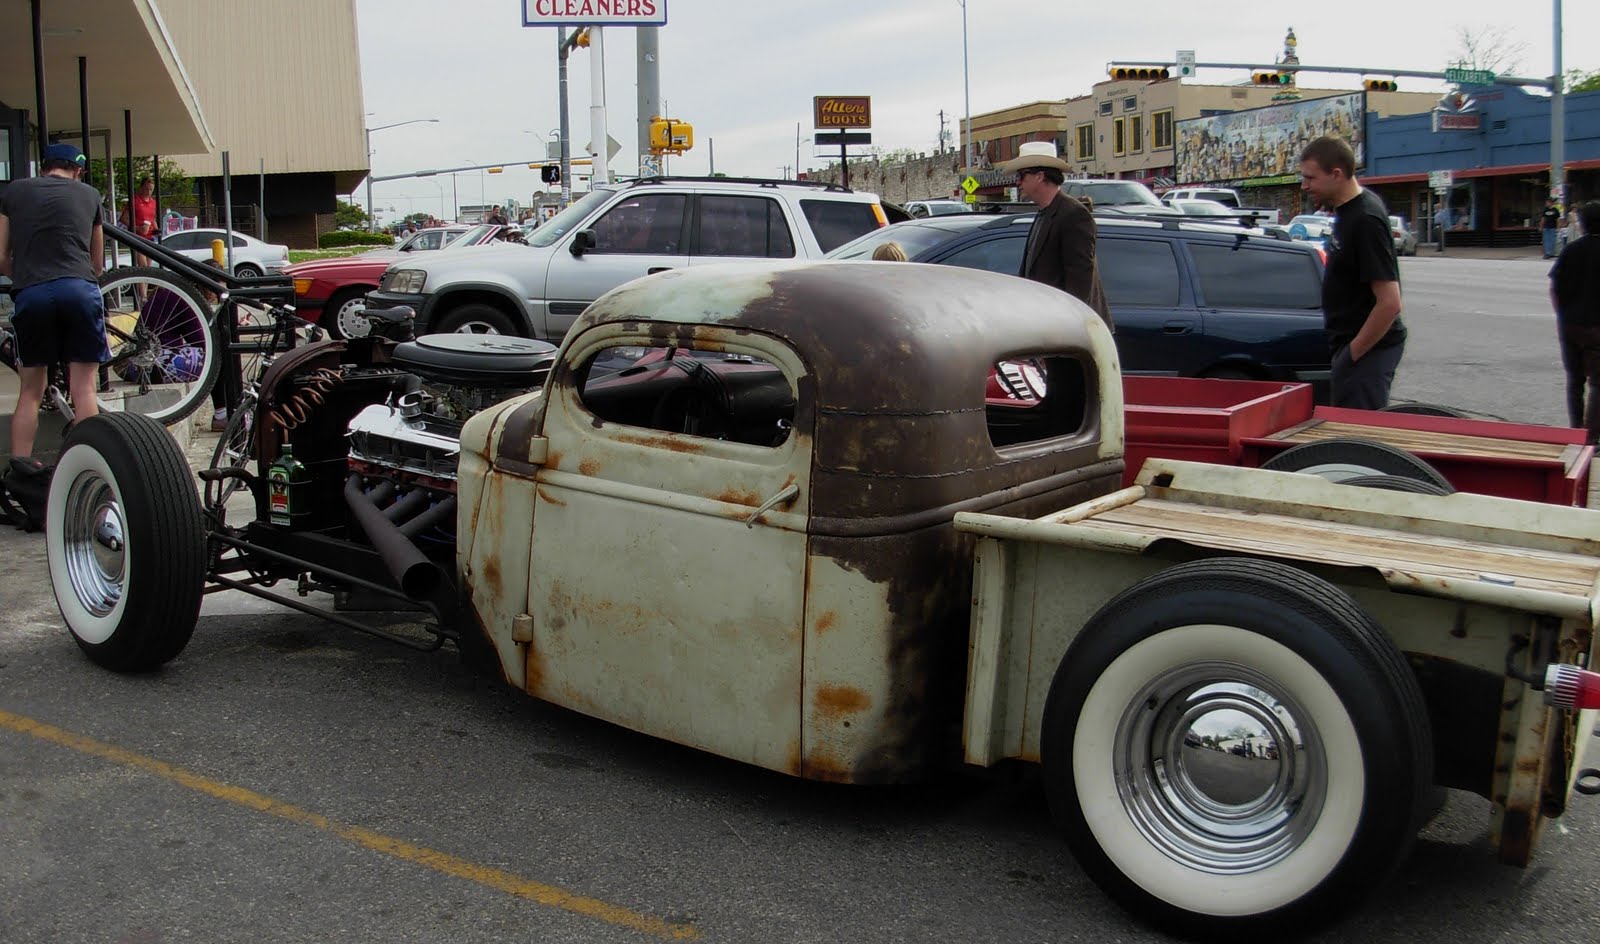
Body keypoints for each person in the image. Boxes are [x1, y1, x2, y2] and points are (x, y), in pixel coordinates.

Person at [0, 143, 110, 459]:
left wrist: (25, 274)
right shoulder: (89, 195)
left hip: (32, 293)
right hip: (78, 289)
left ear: (44, 166)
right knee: (83, 388)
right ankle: (90, 463)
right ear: (76, 170)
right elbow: (97, 263)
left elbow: (1, 257)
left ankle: (21, 466)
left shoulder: (14, 193)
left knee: (31, 391)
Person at [1299, 135, 1406, 410]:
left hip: (1367, 353)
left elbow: (1390, 302)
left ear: (1336, 174)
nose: (1304, 185)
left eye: (1310, 178)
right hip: (1349, 347)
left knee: (1358, 441)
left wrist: (1352, 355)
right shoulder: (1347, 212)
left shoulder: (1365, 219)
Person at [995, 141, 1112, 330]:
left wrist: (1066, 332)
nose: (1018, 182)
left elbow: (1080, 281)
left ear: (1040, 176)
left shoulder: (1073, 215)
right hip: (1049, 327)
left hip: (1070, 333)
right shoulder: (1045, 213)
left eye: (1022, 176)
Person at [1550, 201, 1600, 442]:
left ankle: (1575, 429)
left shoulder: (1572, 250)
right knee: (1598, 384)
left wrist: (1563, 316)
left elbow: (1554, 288)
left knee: (1575, 380)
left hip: (1570, 325)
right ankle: (1590, 438)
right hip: (1596, 327)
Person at [120, 176, 157, 266]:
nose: (148, 192)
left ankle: (145, 280)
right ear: (141, 188)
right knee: (143, 266)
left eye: (151, 190)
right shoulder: (134, 201)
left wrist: (157, 229)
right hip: (138, 237)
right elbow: (123, 218)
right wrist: (137, 228)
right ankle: (141, 280)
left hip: (150, 237)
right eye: (146, 189)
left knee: (148, 267)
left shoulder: (153, 202)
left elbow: (152, 218)